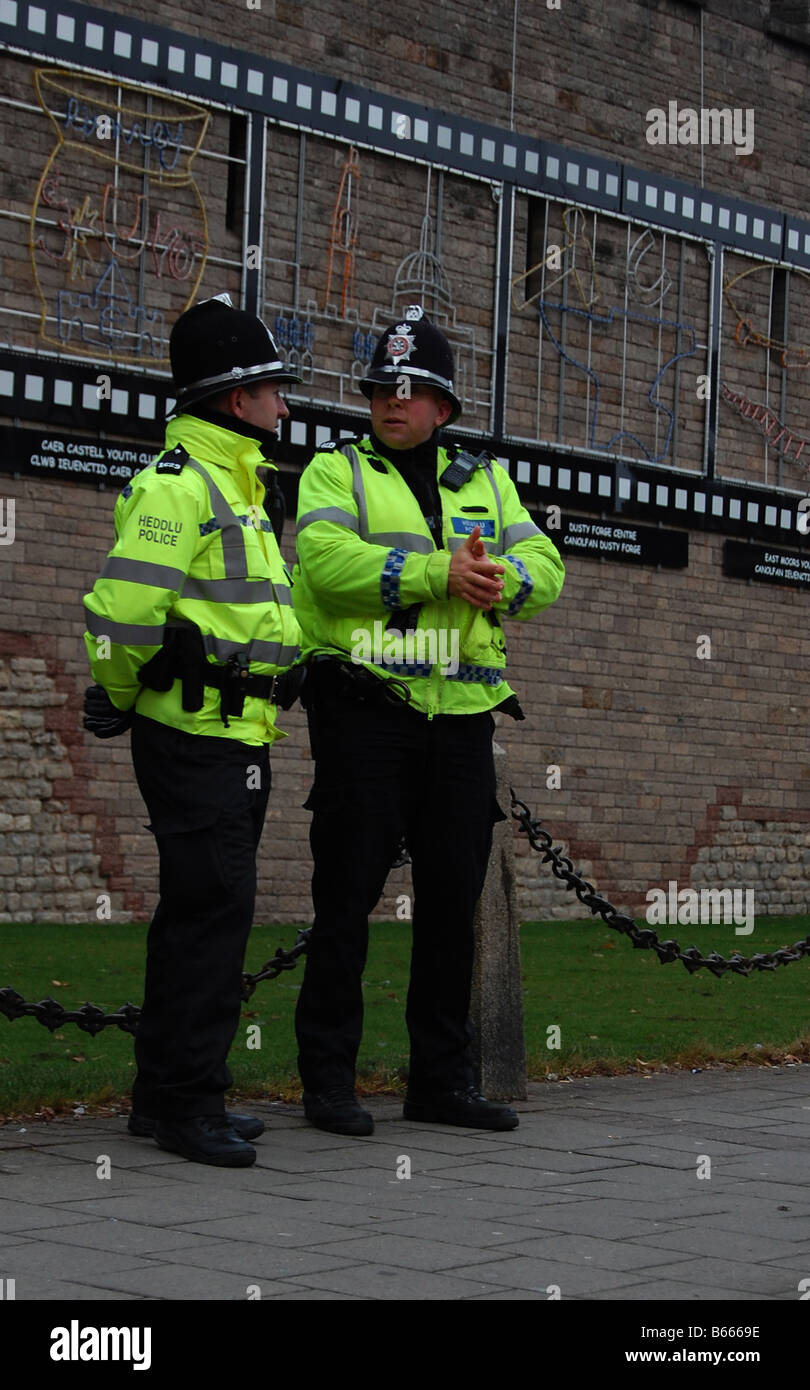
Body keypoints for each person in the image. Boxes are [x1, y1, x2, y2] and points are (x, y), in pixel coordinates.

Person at [293, 304, 565, 1136]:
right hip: (365, 713)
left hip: (461, 723)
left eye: (408, 393)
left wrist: (497, 583)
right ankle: (328, 1084)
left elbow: (544, 566)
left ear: (443, 407)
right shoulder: (334, 471)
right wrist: (436, 573)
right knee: (345, 902)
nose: (390, 403)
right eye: (380, 389)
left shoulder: (485, 479)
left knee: (451, 904)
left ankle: (440, 1083)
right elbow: (326, 562)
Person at [82, 293, 302, 1167]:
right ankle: (188, 1105)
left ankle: (164, 1095)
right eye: (272, 390)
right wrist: (120, 690)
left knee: (199, 914)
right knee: (215, 914)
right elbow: (120, 612)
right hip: (197, 737)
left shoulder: (240, 487)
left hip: (235, 736)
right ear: (232, 396)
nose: (284, 405)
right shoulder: (183, 487)